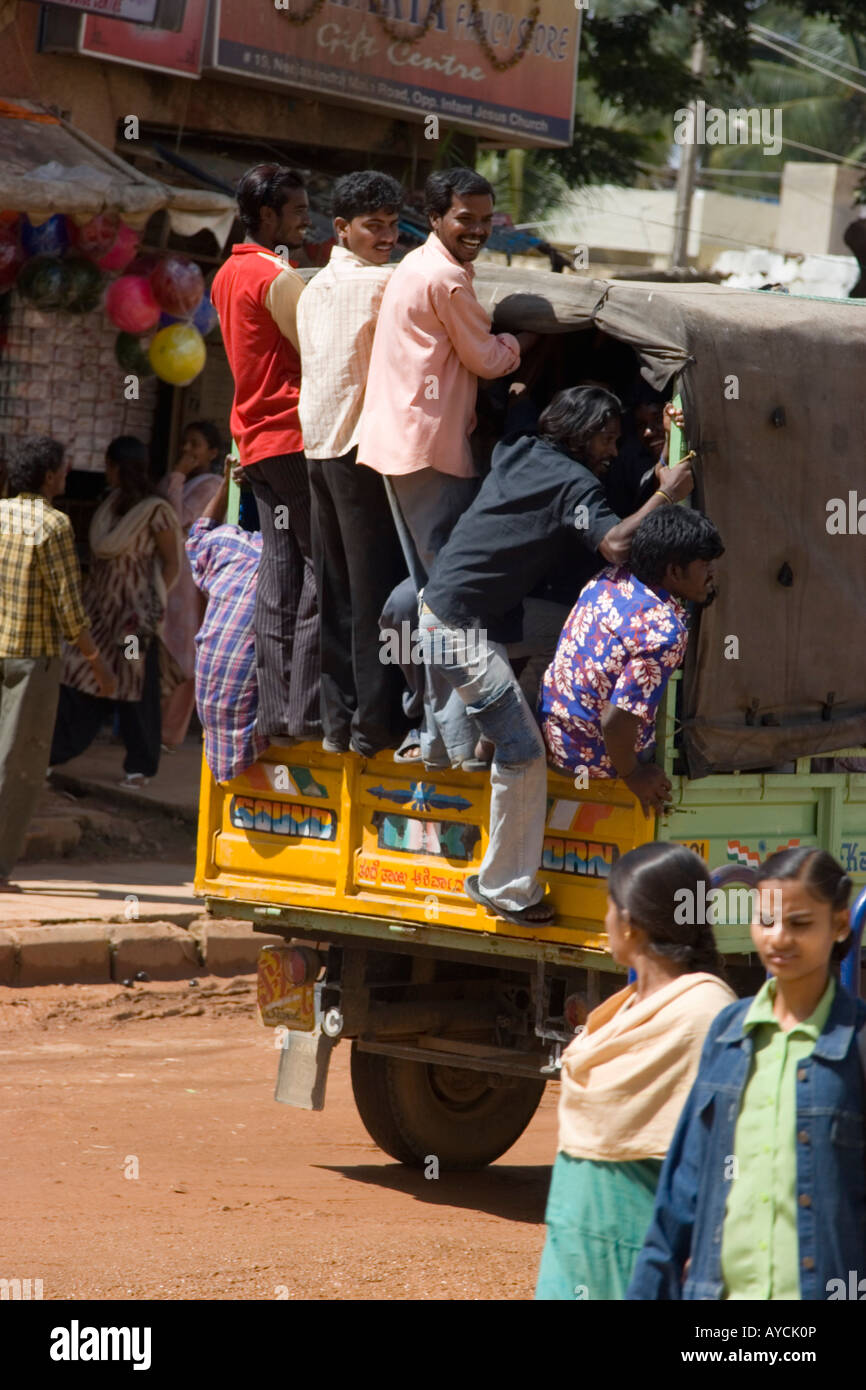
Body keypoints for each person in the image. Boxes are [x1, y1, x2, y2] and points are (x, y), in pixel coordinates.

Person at [418, 385, 694, 926]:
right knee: (522, 754)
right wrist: (668, 495)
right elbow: (616, 545)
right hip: (462, 632)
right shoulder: (573, 482)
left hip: (461, 615)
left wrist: (660, 458)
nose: (613, 451)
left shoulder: (519, 447)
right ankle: (506, 888)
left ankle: (486, 733)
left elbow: (523, 399)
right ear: (585, 433)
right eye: (608, 439)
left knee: (571, 629)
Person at [628, 847, 866, 1301]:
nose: (778, 938)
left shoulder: (857, 1044)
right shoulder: (728, 1034)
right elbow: (682, 1190)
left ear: (838, 925)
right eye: (766, 920)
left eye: (800, 923)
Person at [358, 168, 535, 768]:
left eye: (486, 220)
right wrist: (519, 347)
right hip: (429, 449)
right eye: (466, 218)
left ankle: (436, 735)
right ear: (435, 218)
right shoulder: (446, 279)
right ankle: (452, 742)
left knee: (425, 598)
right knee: (451, 603)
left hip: (399, 446)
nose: (478, 230)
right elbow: (487, 359)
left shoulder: (414, 266)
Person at [535, 842, 736, 1300]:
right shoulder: (626, 1007)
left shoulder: (706, 1013)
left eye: (610, 905)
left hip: (639, 1260)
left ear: (630, 923)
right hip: (574, 1250)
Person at [297, 170, 408, 755]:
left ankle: (340, 725)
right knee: (370, 596)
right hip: (355, 452)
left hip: (317, 447)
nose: (387, 236)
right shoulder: (383, 285)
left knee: (338, 593)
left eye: (392, 225)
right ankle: (373, 726)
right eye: (375, 226)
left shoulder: (313, 287)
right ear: (342, 229)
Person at [211, 163, 319, 743]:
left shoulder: (228, 273)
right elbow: (319, 351)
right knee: (321, 571)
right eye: (299, 210)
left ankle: (277, 713)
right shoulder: (276, 276)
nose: (308, 220)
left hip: (254, 442)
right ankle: (304, 712)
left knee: (279, 575)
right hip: (293, 438)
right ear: (269, 216)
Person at [540, 506, 724, 817]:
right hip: (592, 756)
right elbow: (616, 720)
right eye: (704, 564)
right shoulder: (665, 631)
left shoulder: (609, 578)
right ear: (675, 571)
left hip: (556, 738)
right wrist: (634, 775)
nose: (712, 573)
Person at [0, 437, 114, 893]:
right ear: (48, 477)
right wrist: (97, 663)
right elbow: (70, 609)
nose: (67, 478)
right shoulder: (53, 525)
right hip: (32, 659)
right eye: (63, 471)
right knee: (18, 765)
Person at [50, 436, 182, 787]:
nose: (105, 472)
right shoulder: (110, 505)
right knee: (80, 677)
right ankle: (55, 753)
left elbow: (172, 563)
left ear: (120, 467)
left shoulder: (157, 511)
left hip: (134, 620)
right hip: (97, 611)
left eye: (108, 465)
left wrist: (151, 606)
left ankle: (141, 766)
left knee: (133, 683)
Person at [186, 463, 266, 784]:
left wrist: (225, 486)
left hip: (220, 728)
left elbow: (197, 535)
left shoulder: (224, 547)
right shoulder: (286, 565)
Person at [158, 419, 223, 752]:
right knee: (162, 644)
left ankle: (171, 732)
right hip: (169, 575)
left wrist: (178, 473)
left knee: (183, 653)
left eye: (195, 444)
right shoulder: (187, 482)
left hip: (187, 577)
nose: (187, 449)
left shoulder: (212, 485)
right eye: (186, 443)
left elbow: (177, 517)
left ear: (212, 453)